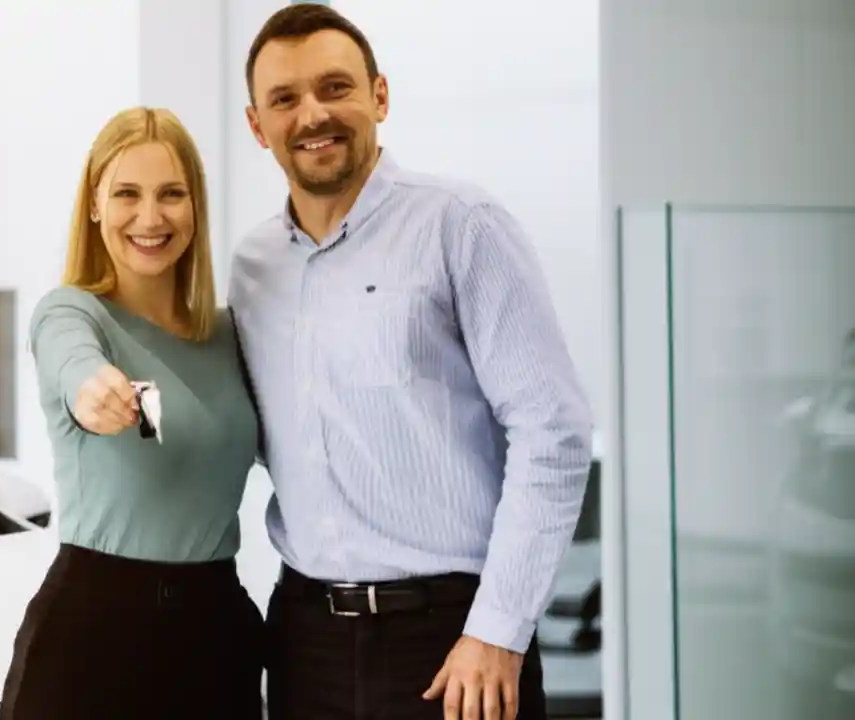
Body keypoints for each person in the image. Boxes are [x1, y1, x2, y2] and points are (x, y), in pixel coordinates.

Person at [227, 5, 594, 720]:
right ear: (257, 125)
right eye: (285, 99)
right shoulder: (252, 267)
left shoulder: (460, 225)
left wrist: (497, 630)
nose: (313, 115)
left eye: (336, 88)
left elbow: (554, 432)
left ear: (380, 96)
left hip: (453, 637)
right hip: (304, 641)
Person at [0, 106, 264, 720]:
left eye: (172, 194)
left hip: (215, 637)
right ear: (95, 205)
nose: (151, 217)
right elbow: (72, 361)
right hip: (94, 639)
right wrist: (92, 389)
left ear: (196, 207)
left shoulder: (229, 336)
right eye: (127, 194)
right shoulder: (73, 313)